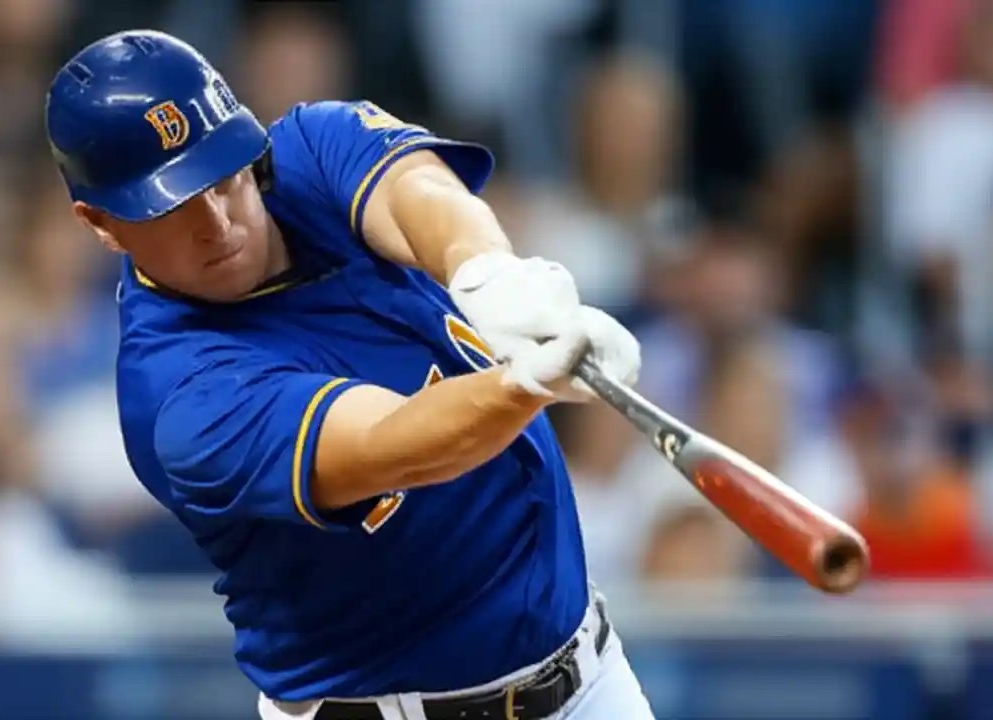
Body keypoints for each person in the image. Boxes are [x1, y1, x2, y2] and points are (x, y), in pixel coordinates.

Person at [45, 30, 652, 719]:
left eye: (223, 177)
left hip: (590, 678)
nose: (217, 222)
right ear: (100, 222)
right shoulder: (179, 393)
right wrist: (525, 385)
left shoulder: (308, 148)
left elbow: (419, 190)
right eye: (173, 206)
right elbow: (396, 442)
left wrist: (487, 271)